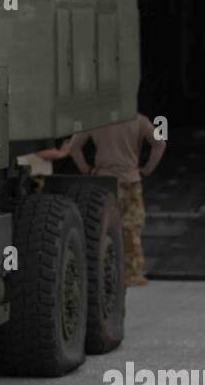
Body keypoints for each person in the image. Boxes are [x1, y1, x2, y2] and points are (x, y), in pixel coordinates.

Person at [38, 114, 166, 286]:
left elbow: (74, 147)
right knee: (131, 229)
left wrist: (85, 168)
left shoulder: (95, 119)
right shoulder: (139, 120)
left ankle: (103, 272)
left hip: (103, 180)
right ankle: (131, 274)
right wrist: (147, 169)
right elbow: (159, 143)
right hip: (130, 180)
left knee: (102, 228)